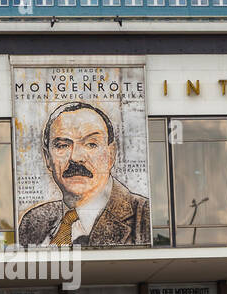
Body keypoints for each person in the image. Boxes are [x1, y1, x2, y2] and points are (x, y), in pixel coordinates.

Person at [16, 101, 151, 247]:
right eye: (62, 145)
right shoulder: (33, 221)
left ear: (111, 155)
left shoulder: (145, 216)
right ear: (48, 158)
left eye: (91, 144)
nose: (75, 157)